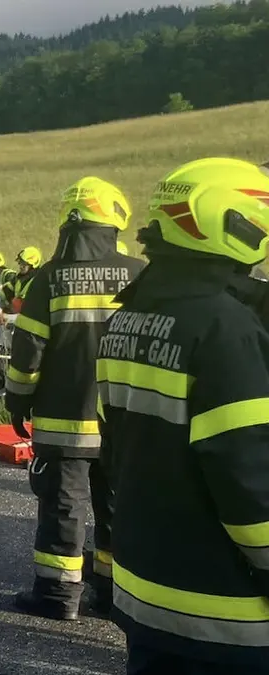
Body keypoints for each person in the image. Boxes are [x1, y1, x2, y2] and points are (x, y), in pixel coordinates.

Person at [96, 157, 269, 674]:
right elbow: (248, 478)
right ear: (231, 220)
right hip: (223, 611)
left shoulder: (128, 314)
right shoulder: (224, 330)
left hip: (147, 590)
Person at [4, 176, 146, 622]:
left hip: (64, 419)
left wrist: (17, 399)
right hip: (126, 421)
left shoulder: (49, 277)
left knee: (64, 506)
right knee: (118, 507)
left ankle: (57, 595)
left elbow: (28, 351)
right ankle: (110, 594)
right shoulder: (141, 273)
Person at [0, 246, 43, 314]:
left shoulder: (37, 281)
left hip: (27, 317)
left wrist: (9, 308)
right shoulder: (20, 277)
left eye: (24, 264)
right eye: (20, 263)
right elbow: (6, 290)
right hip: (15, 314)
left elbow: (25, 303)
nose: (20, 266)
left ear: (32, 265)